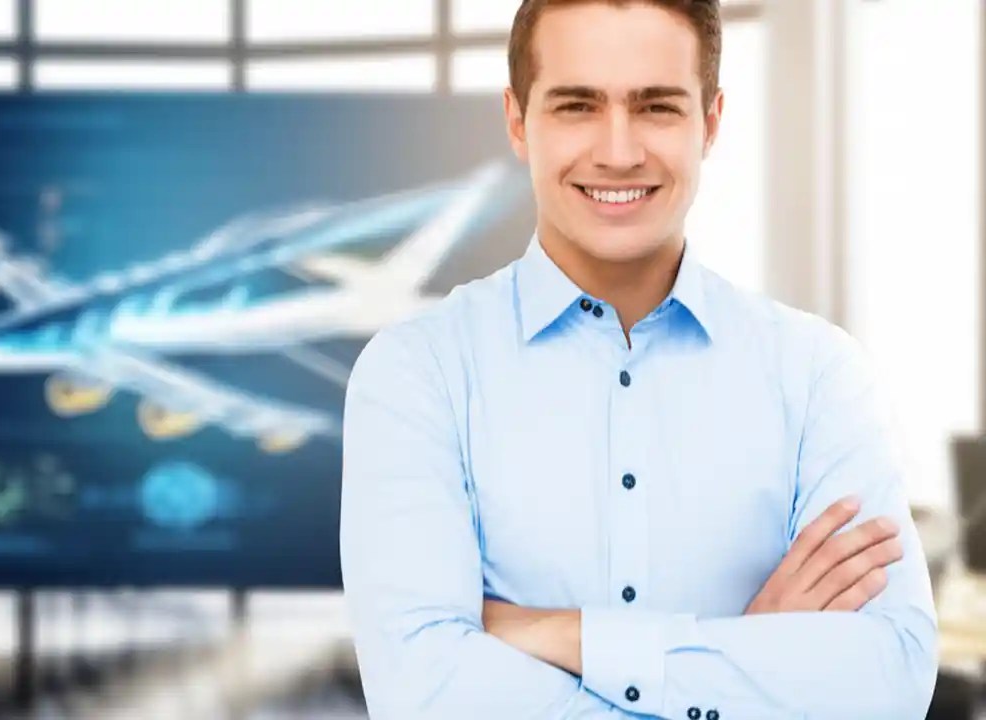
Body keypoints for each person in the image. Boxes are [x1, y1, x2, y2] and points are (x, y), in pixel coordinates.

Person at [338, 1, 938, 718]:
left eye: (656, 107)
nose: (618, 151)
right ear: (518, 121)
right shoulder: (416, 374)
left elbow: (888, 682)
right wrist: (747, 655)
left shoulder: (818, 375)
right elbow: (426, 695)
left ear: (710, 123)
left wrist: (565, 636)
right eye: (577, 106)